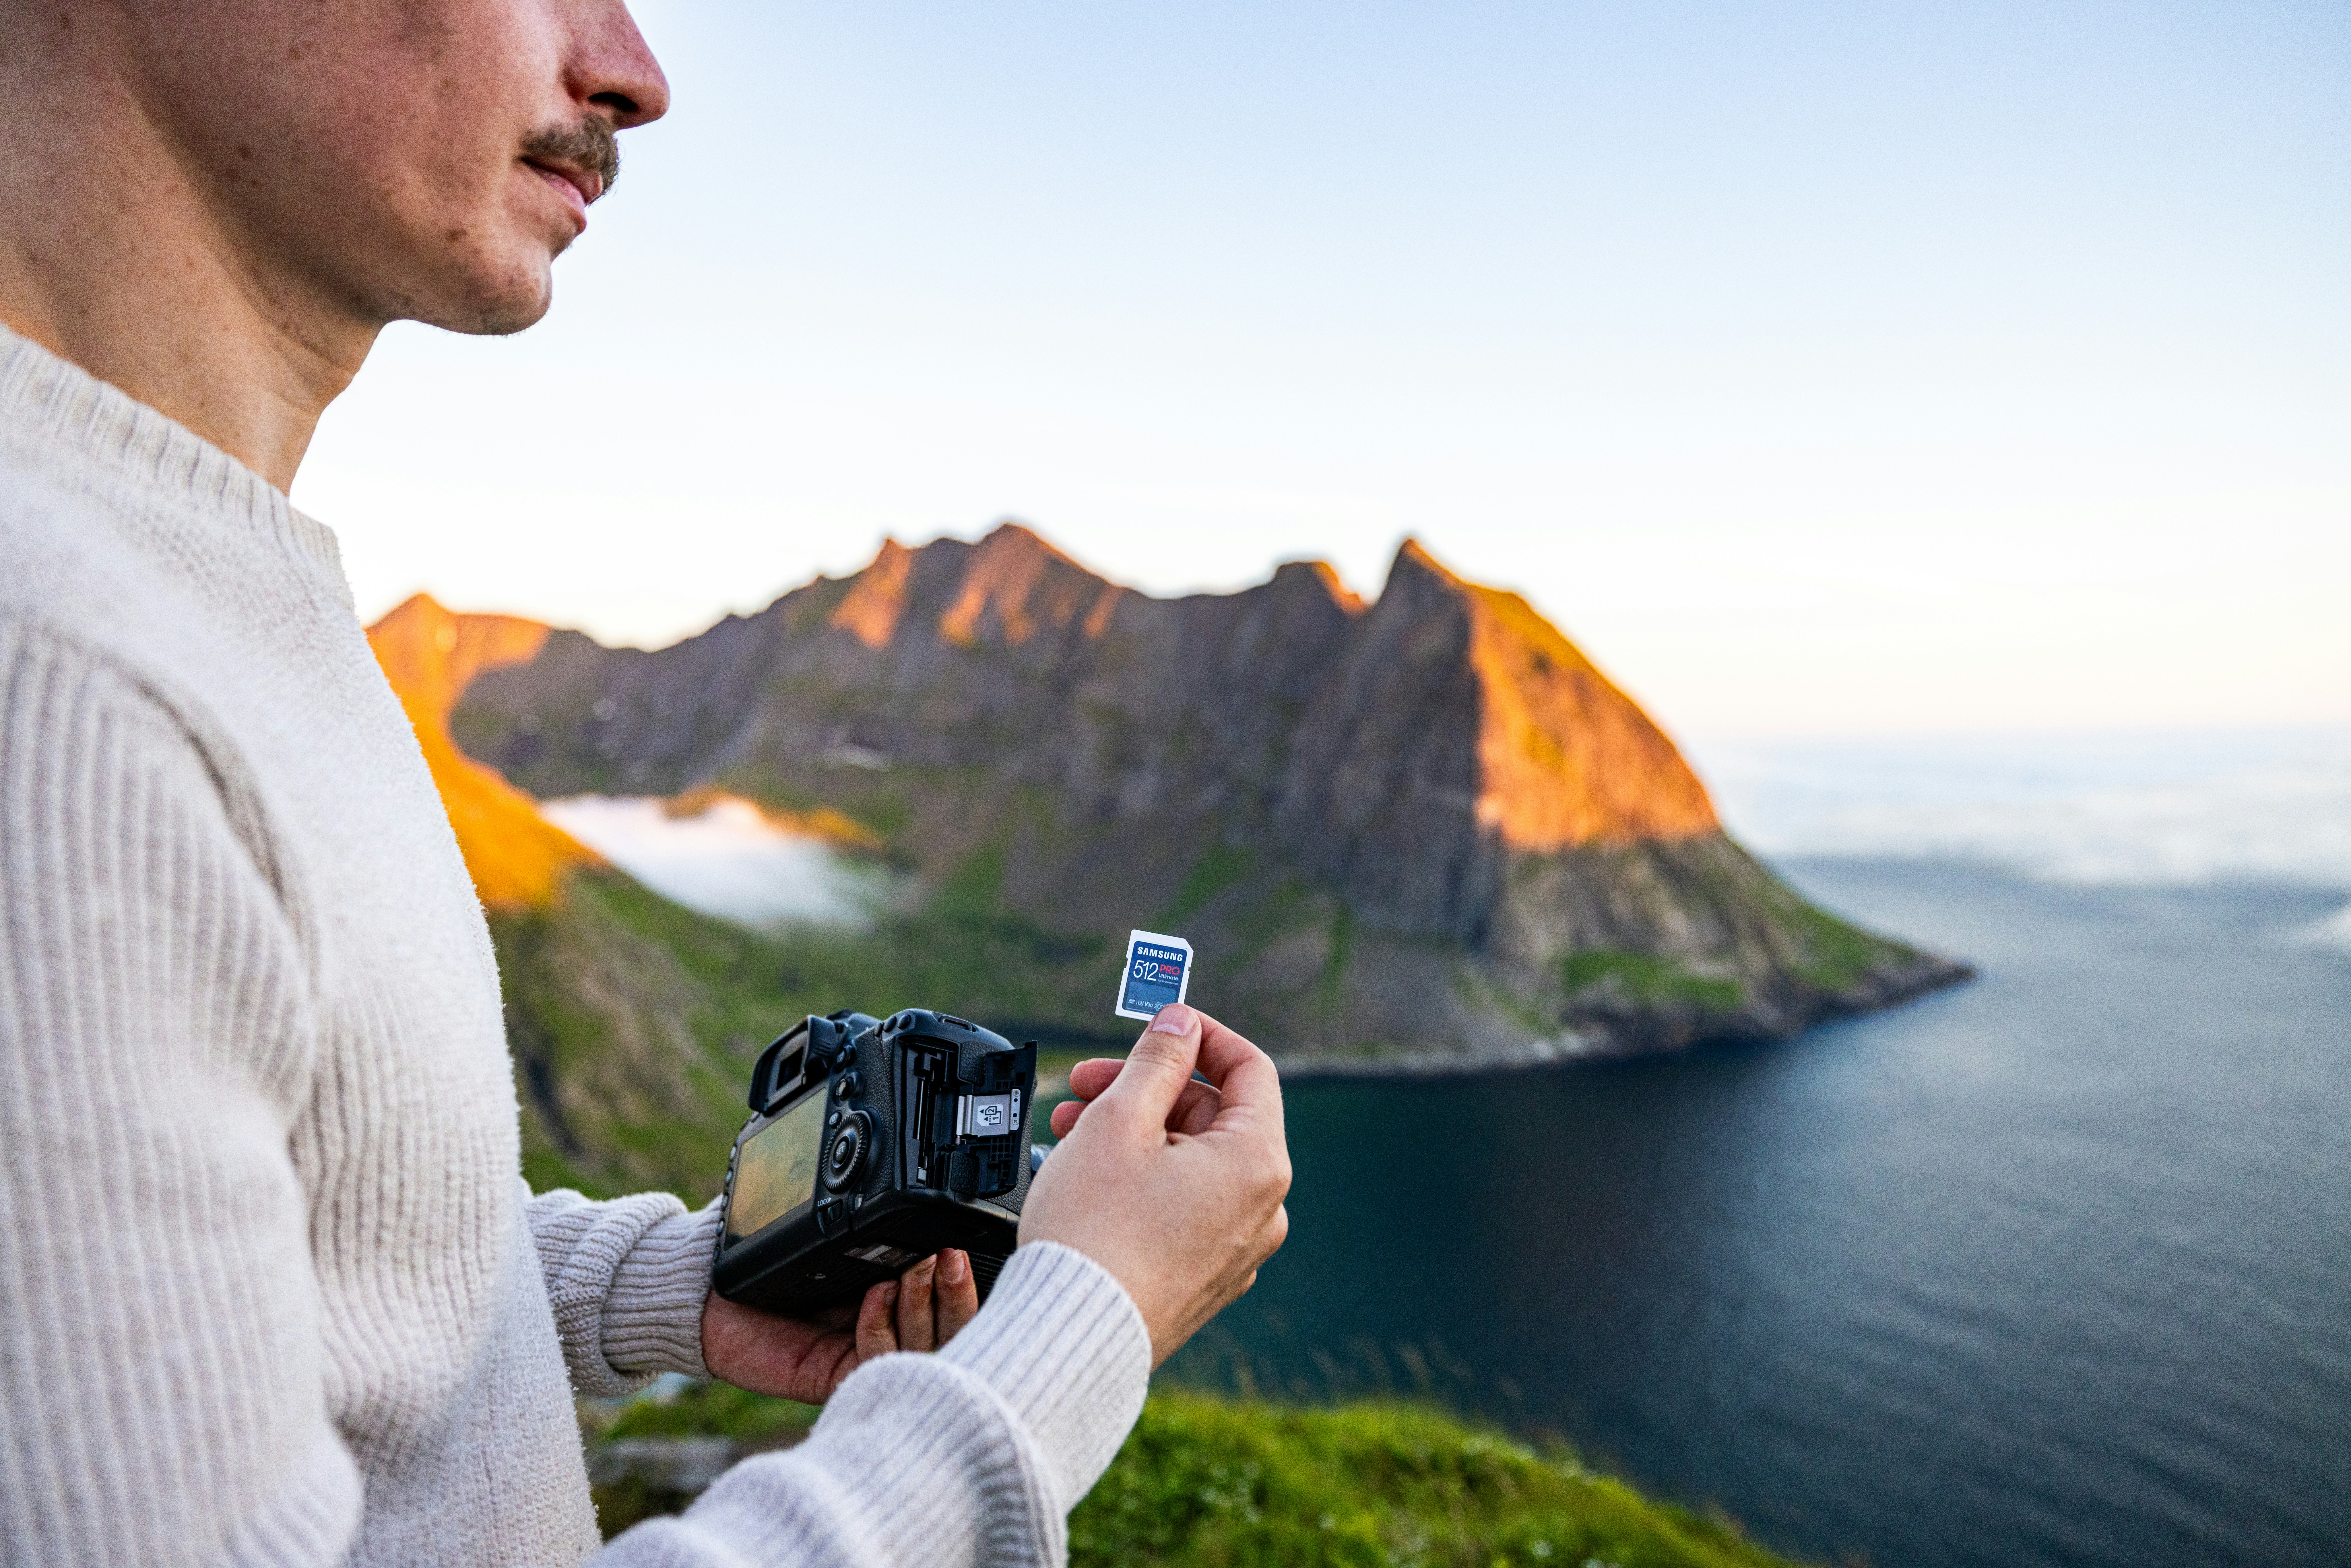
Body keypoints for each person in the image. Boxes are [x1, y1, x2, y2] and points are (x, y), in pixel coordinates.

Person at [0, 2, 1292, 1565]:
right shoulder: (58, 676)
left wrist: (692, 1286)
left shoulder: (182, 563)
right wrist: (1065, 1344)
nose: (636, 72)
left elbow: (308, 1254)